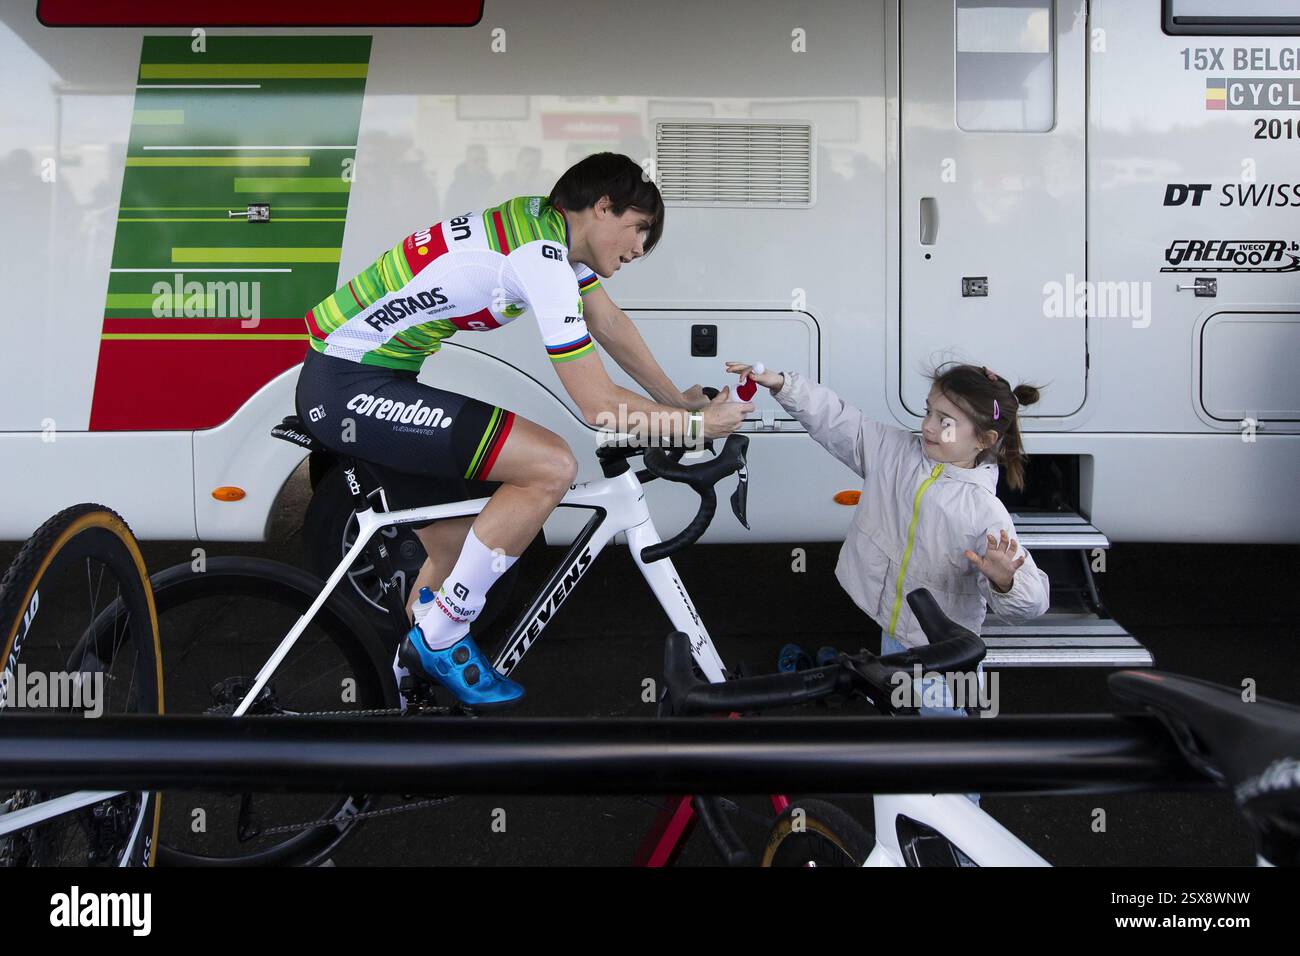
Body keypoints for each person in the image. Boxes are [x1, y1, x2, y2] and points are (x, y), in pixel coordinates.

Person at [296, 153, 752, 708]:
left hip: (365, 377)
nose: (638, 248)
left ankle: (407, 695)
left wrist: (675, 401)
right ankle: (443, 635)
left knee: (454, 550)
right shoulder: (540, 257)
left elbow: (608, 323)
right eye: (638, 228)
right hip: (348, 385)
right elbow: (598, 406)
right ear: (602, 206)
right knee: (551, 465)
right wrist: (695, 426)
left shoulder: (544, 227)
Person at [728, 360, 1051, 719]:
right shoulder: (896, 452)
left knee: (946, 735)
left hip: (945, 655)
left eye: (944, 421)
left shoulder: (984, 511)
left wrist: (1006, 582)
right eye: (928, 411)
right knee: (900, 720)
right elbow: (839, 421)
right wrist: (782, 384)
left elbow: (1032, 603)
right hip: (895, 634)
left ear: (984, 440)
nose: (927, 426)